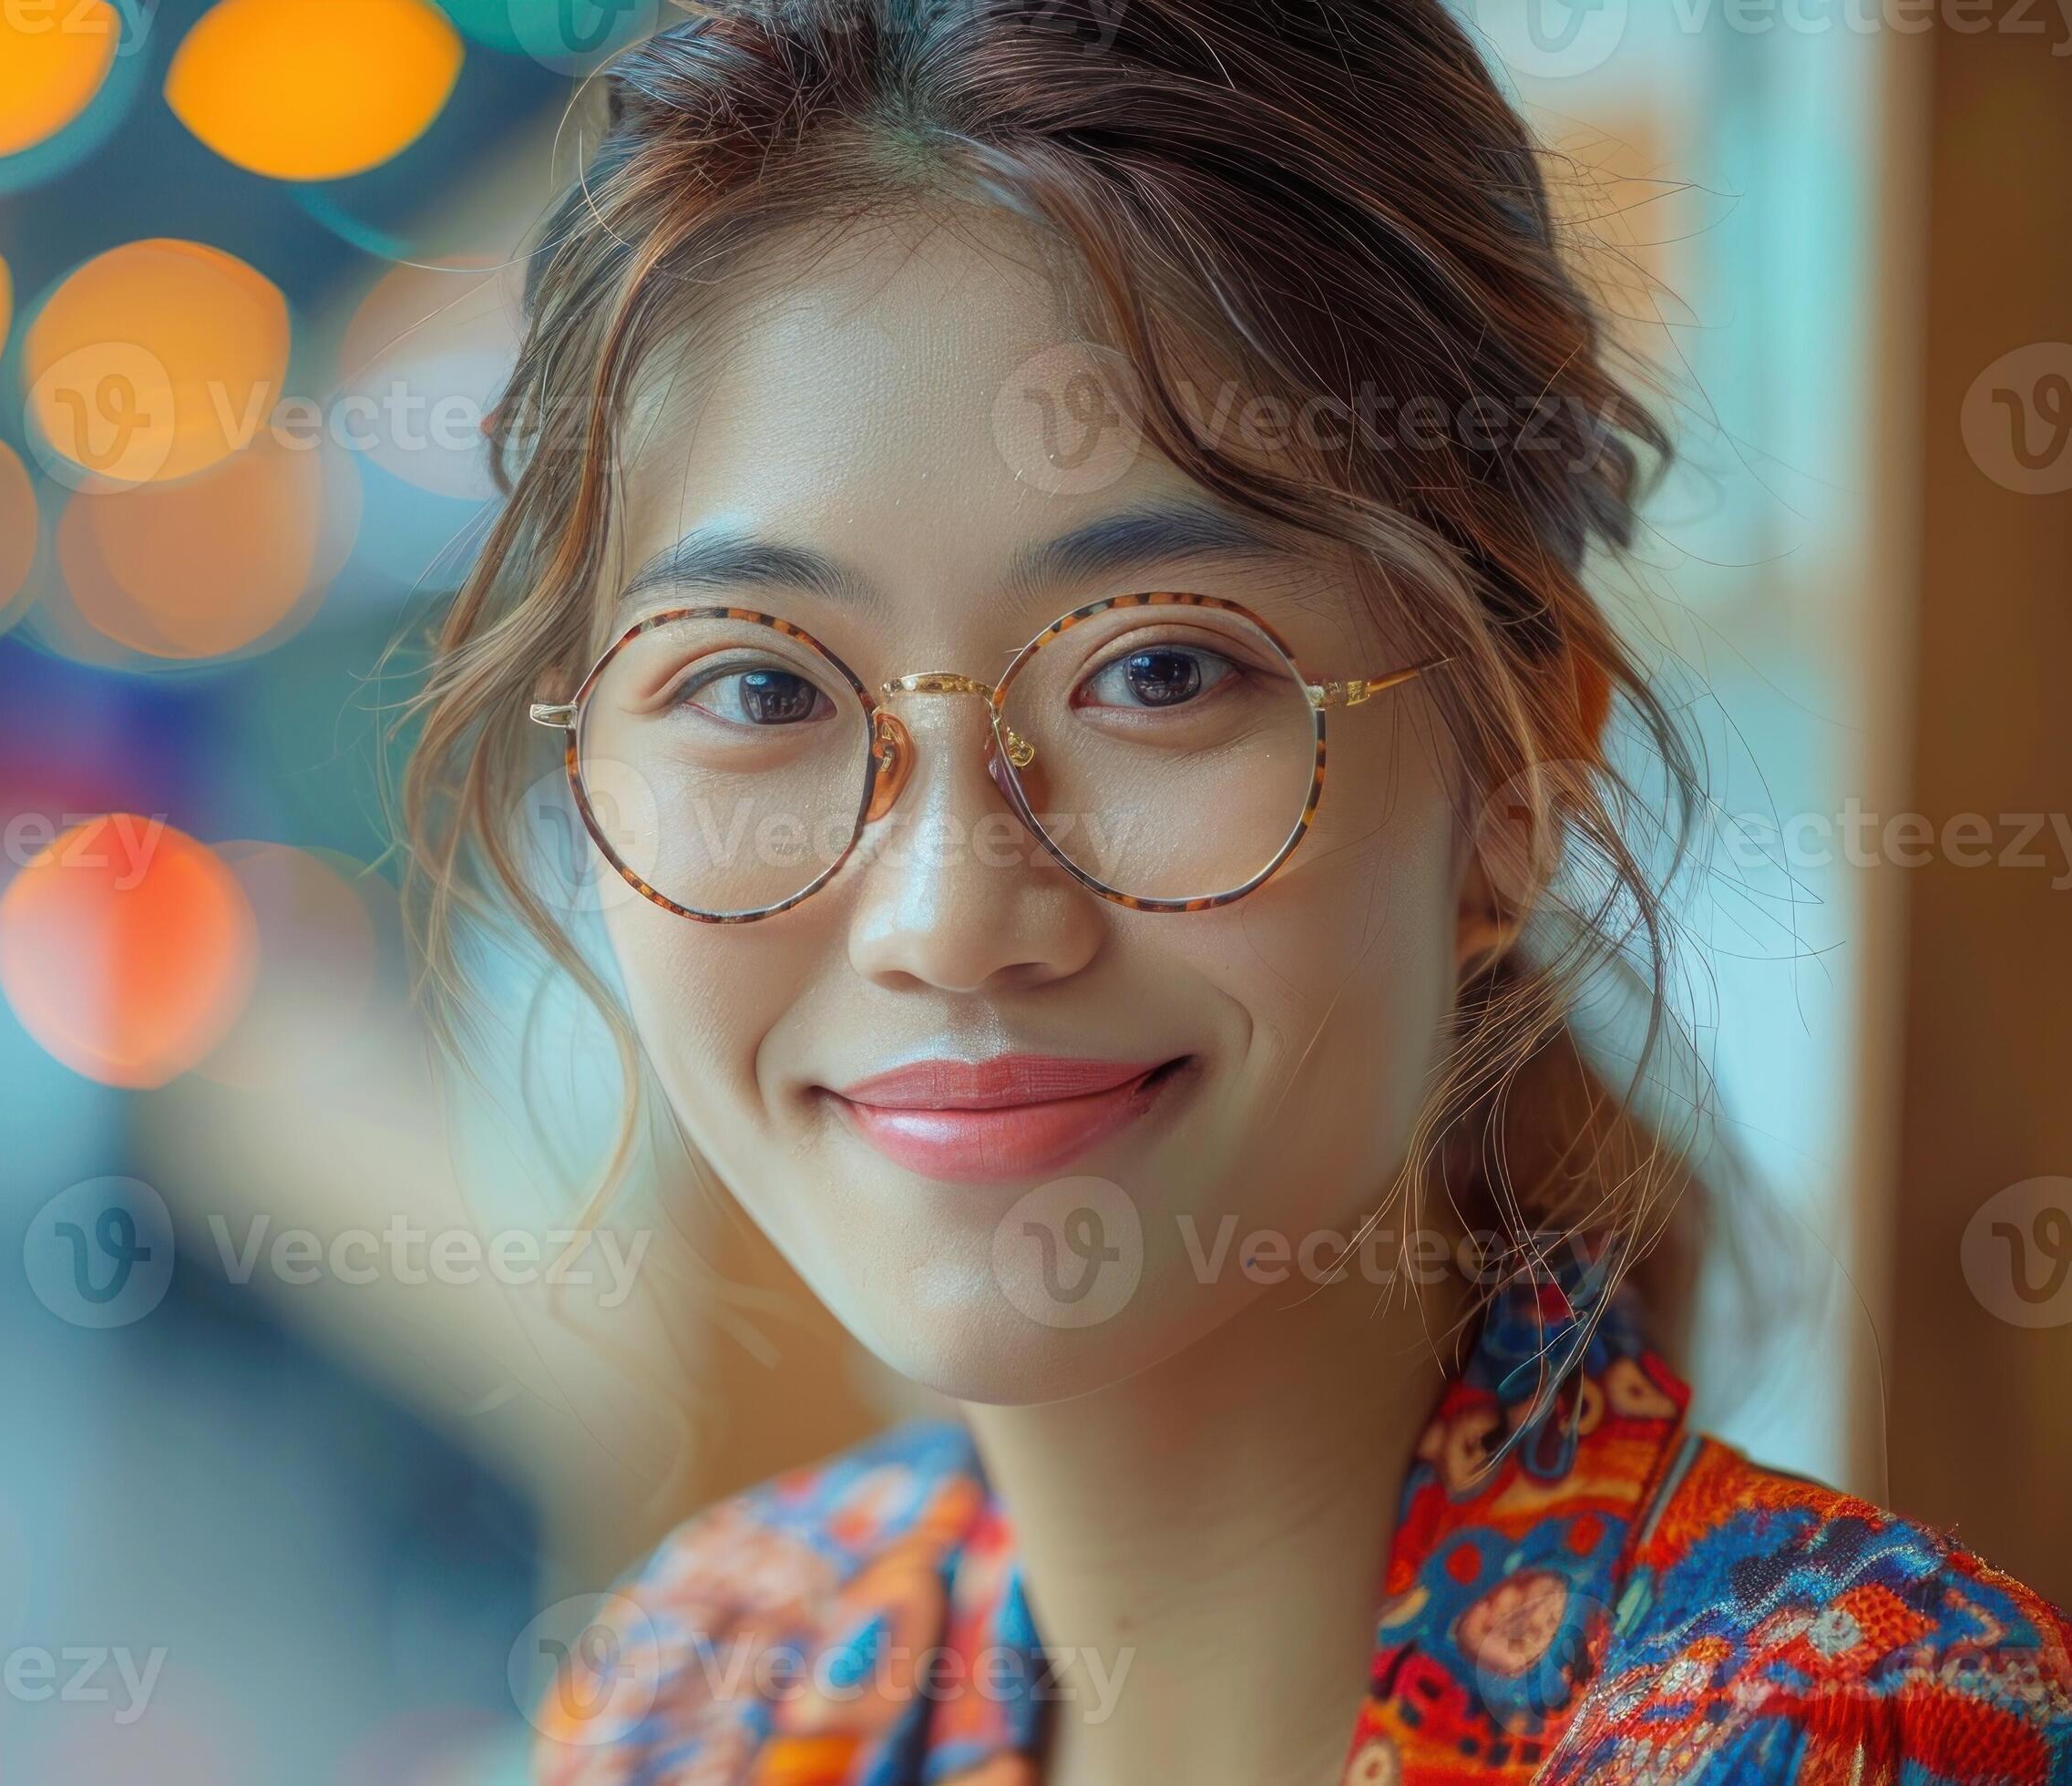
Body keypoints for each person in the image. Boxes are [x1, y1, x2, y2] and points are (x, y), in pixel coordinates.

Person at [396, 2, 2072, 1781]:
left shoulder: (1849, 1735)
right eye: (758, 689)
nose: (949, 919)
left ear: (1519, 772)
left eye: (1161, 673)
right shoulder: (709, 1686)